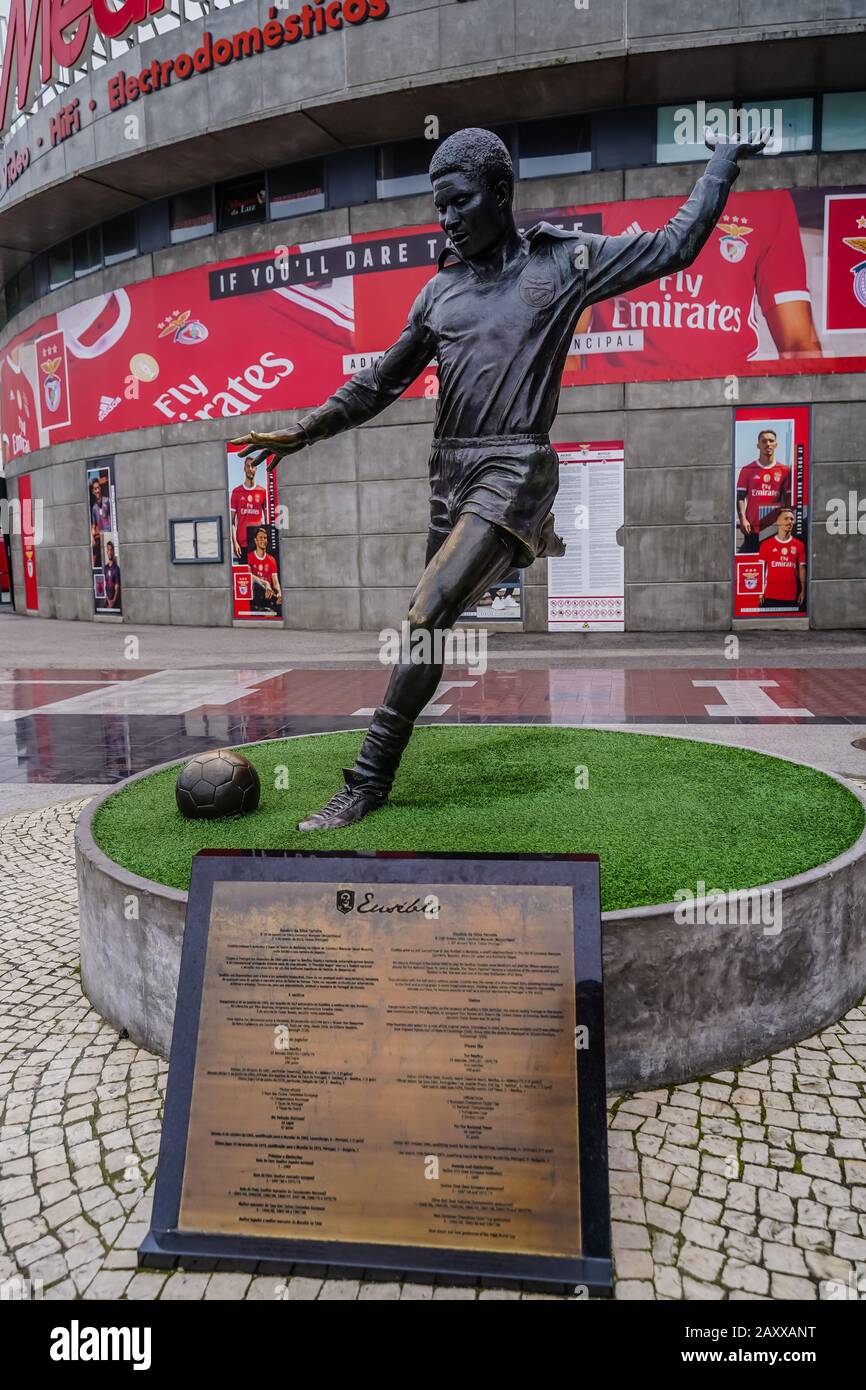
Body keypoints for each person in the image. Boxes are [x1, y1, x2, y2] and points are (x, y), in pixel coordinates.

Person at [232, 123, 767, 831]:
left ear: (500, 193)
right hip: (447, 470)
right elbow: (378, 384)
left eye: (458, 202)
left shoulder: (564, 262)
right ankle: (378, 771)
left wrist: (720, 165)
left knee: (423, 612)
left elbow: (674, 246)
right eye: (438, 206)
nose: (447, 219)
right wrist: (305, 430)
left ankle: (365, 782)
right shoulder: (438, 295)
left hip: (514, 465)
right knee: (430, 632)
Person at [736, 429, 791, 554]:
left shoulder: (784, 470)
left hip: (774, 529)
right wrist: (743, 519)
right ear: (758, 445)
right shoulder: (747, 469)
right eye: (764, 441)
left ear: (776, 444)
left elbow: (788, 500)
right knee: (753, 565)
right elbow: (740, 497)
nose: (768, 444)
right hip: (753, 528)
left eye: (771, 441)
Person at [759, 509, 806, 610]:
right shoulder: (766, 544)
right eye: (786, 518)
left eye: (792, 519)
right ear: (778, 522)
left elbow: (802, 569)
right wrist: (760, 591)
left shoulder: (799, 545)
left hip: (792, 596)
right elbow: (761, 570)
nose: (789, 521)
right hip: (770, 595)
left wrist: (803, 591)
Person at [230, 455, 269, 560]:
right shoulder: (236, 492)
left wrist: (265, 542)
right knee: (244, 576)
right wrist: (235, 543)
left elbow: (267, 519)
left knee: (260, 576)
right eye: (248, 466)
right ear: (244, 469)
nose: (250, 469)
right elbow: (232, 522)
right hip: (242, 546)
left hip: (258, 545)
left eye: (253, 466)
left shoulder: (262, 492)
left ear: (256, 469)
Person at [246, 525, 282, 612]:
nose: (263, 540)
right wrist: (265, 583)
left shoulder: (271, 559)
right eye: (260, 537)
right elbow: (249, 576)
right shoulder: (249, 557)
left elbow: (275, 582)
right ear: (255, 540)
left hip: (268, 597)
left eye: (265, 538)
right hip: (256, 596)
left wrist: (279, 593)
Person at [103, 541, 121, 611]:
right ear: (106, 552)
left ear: (113, 551)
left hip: (115, 603)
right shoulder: (105, 568)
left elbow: (117, 587)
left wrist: (113, 601)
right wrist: (108, 600)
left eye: (111, 550)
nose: (110, 552)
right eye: (108, 550)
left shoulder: (116, 568)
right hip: (107, 602)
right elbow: (104, 585)